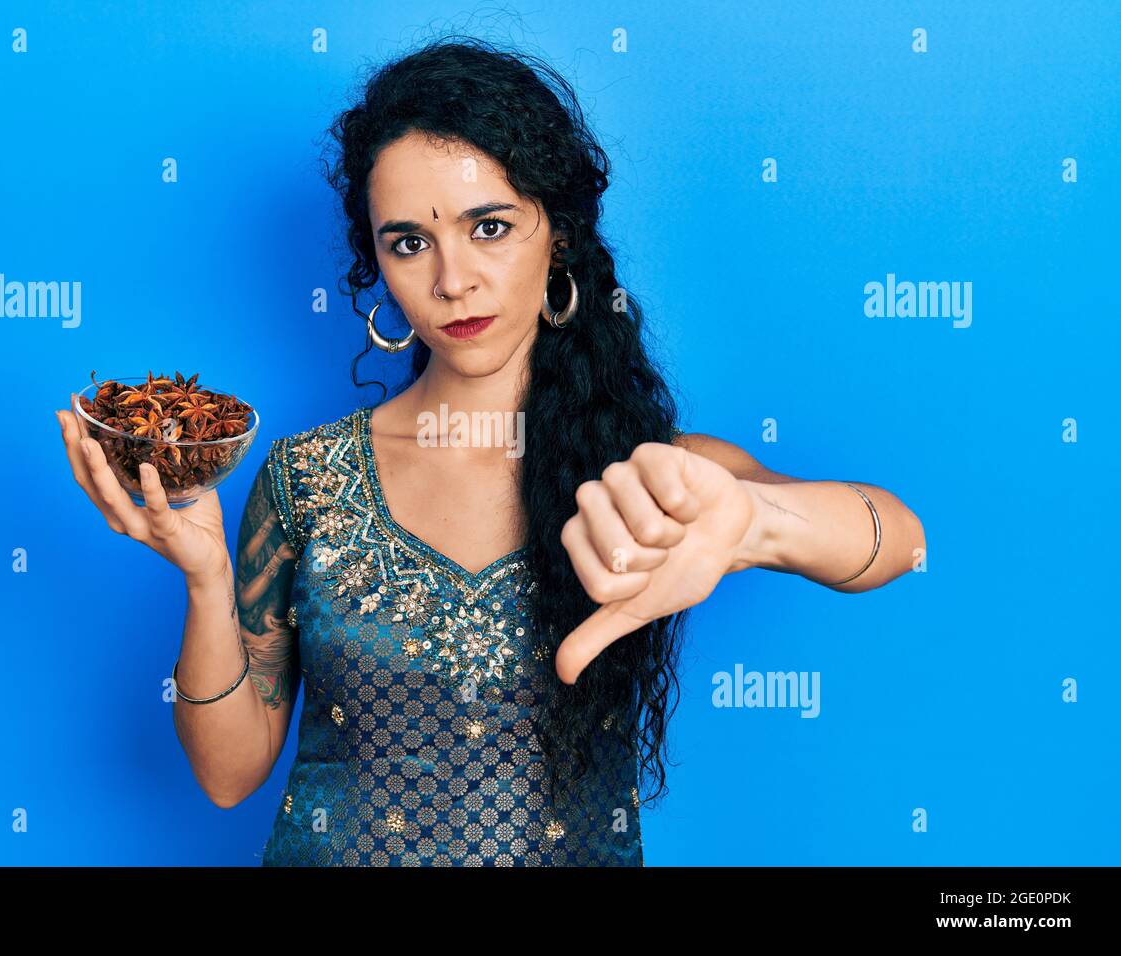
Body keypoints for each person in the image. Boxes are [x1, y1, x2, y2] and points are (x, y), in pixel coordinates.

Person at [54, 37, 925, 866]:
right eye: (409, 242)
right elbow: (228, 774)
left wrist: (758, 523)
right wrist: (206, 582)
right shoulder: (305, 480)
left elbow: (899, 538)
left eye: (491, 227)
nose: (452, 279)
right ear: (377, 267)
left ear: (560, 235)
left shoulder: (656, 479)